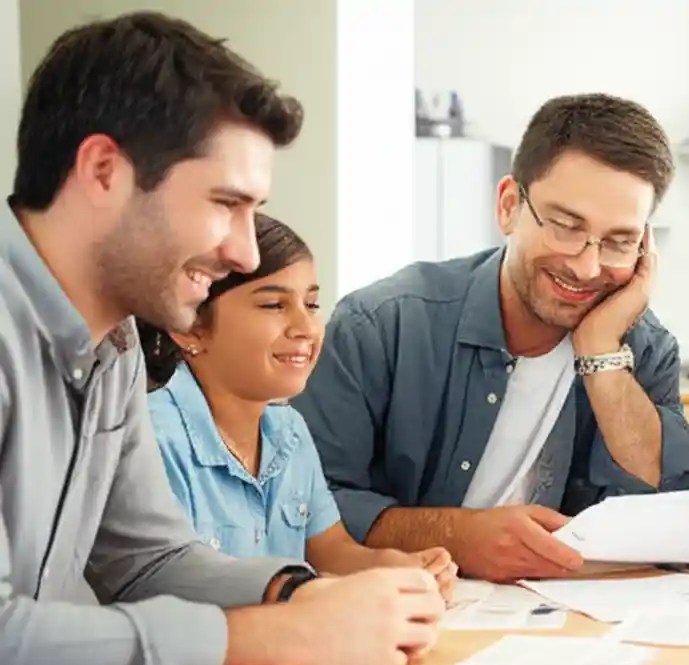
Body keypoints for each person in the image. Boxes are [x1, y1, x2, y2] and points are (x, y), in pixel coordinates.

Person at [0, 12, 443, 665]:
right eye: (225, 204)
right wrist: (276, 638)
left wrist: (301, 593)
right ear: (103, 171)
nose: (242, 251)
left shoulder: (110, 346)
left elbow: (149, 562)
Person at [291, 93, 689, 582]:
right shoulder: (384, 324)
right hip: (406, 616)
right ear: (510, 206)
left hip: (573, 632)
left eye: (620, 241)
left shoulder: (640, 348)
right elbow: (300, 505)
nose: (587, 265)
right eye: (564, 226)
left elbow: (683, 523)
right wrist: (457, 535)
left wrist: (601, 354)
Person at [138, 214, 457, 599]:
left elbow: (331, 551)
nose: (305, 327)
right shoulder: (152, 440)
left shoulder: (289, 429)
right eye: (274, 305)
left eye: (311, 303)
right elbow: (169, 593)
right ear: (190, 326)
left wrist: (395, 565)